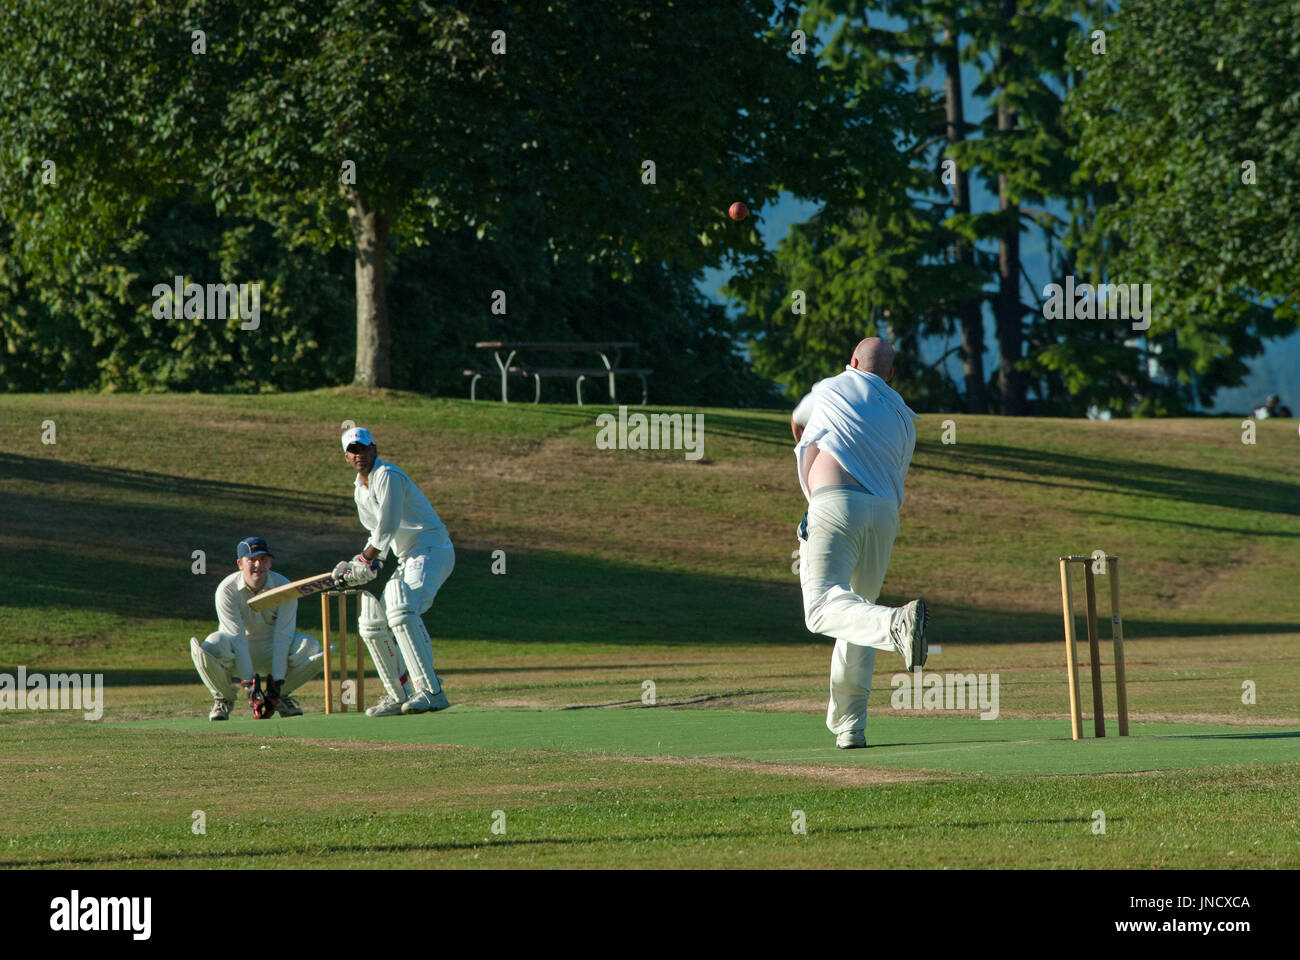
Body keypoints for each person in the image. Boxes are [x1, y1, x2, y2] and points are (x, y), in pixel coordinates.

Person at [791, 337, 927, 750]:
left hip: (836, 505)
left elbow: (797, 424)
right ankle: (851, 725)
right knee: (855, 615)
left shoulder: (830, 387)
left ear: (851, 361)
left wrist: (811, 490)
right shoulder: (904, 416)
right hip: (884, 514)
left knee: (820, 609)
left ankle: (895, 624)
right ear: (891, 375)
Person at [333, 427, 455, 717]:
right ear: (346, 456)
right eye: (353, 450)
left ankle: (432, 692)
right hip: (407, 556)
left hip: (431, 549)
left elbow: (387, 526)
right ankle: (399, 695)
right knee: (373, 622)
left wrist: (365, 559)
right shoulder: (359, 490)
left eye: (363, 448)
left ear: (374, 448)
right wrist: (363, 565)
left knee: (401, 608)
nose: (358, 455)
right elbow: (377, 536)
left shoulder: (387, 475)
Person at [190, 537, 323, 720]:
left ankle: (279, 695)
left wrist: (276, 682)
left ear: (270, 562)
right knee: (210, 646)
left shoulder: (283, 587)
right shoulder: (227, 590)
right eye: (252, 560)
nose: (258, 565)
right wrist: (249, 686)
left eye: (264, 559)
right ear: (240, 563)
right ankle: (223, 698)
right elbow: (237, 638)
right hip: (236, 654)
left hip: (272, 650)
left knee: (311, 647)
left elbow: (283, 635)